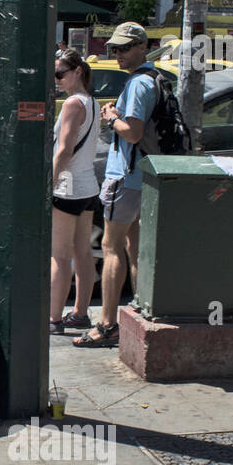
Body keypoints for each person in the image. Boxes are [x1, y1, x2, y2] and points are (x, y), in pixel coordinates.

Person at [74, 22, 157, 349]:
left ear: (142, 47)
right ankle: (140, 310)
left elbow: (133, 132)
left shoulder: (138, 84)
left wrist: (111, 117)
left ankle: (107, 324)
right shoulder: (155, 80)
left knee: (111, 248)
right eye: (115, 49)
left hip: (126, 174)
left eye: (124, 48)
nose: (118, 54)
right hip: (144, 176)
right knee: (134, 248)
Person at [50, 49, 98, 335]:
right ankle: (80, 312)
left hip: (67, 186)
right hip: (88, 185)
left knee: (59, 255)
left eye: (60, 74)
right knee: (83, 252)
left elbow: (64, 150)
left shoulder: (71, 104)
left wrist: (51, 183)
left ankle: (54, 318)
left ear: (77, 72)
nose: (56, 80)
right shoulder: (90, 101)